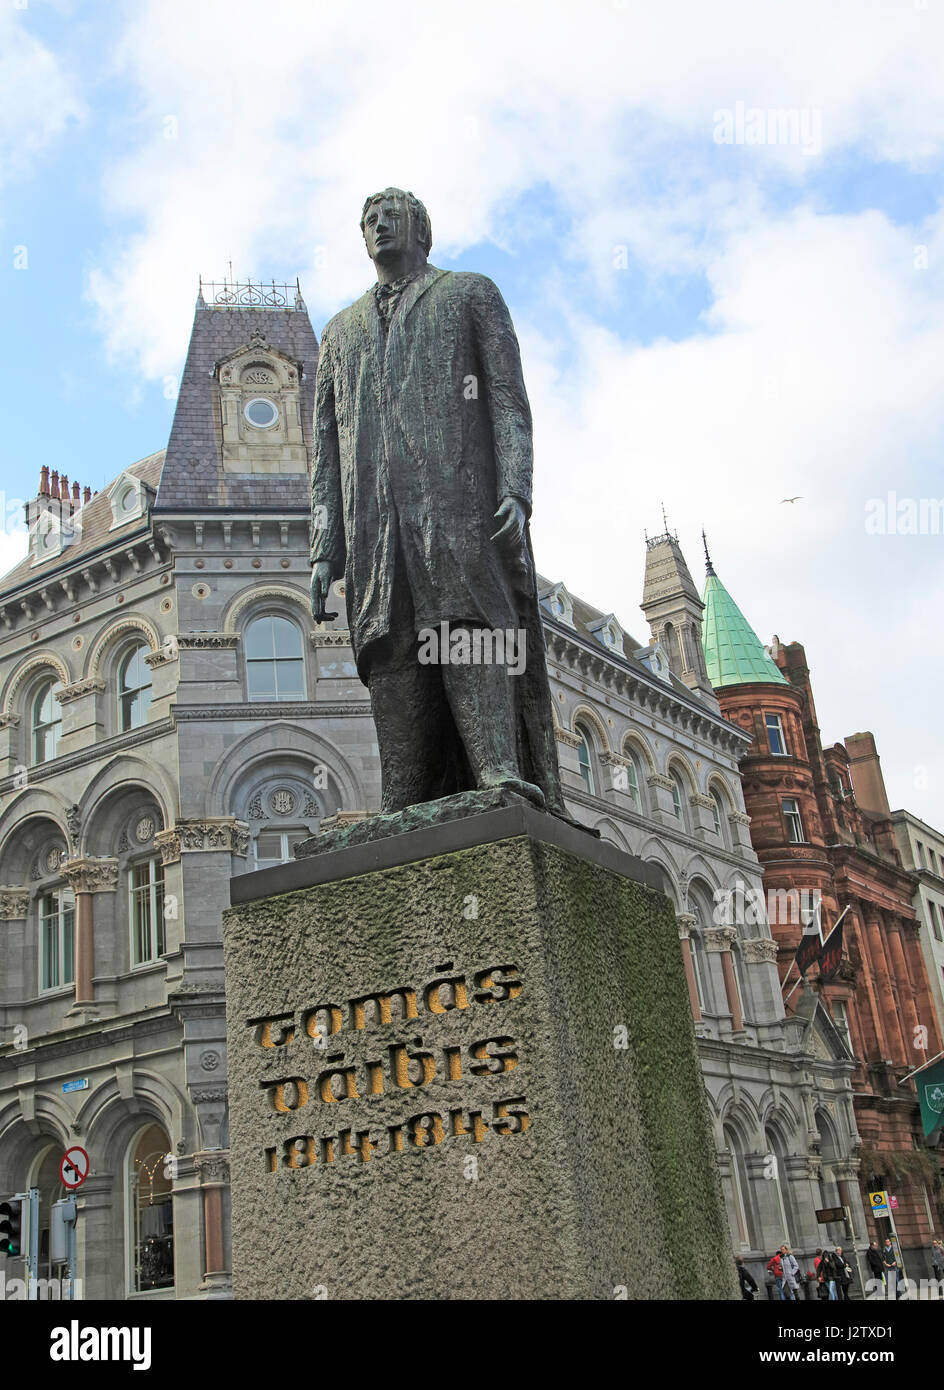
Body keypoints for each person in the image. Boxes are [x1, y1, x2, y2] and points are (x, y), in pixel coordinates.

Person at [310, 187, 564, 814]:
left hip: (458, 503)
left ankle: (497, 772)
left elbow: (507, 398)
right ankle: (404, 800)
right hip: (375, 521)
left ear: (421, 229)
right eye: (368, 219)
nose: (377, 226)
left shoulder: (469, 294)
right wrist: (325, 549)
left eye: (389, 216)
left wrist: (516, 488)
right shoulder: (340, 333)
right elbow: (325, 450)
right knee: (389, 643)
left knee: (466, 623)